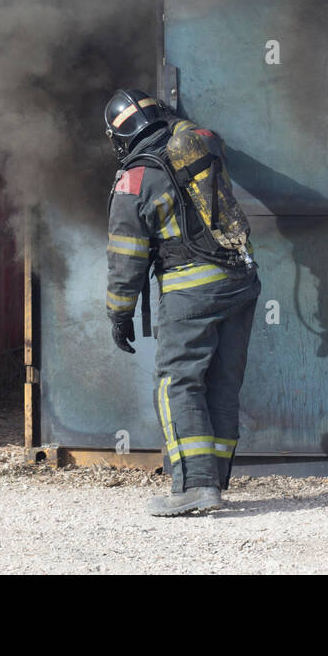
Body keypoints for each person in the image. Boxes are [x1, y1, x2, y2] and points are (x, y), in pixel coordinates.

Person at [104, 88, 261, 516]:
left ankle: (194, 486)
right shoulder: (198, 146)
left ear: (120, 137)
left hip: (191, 290)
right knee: (222, 384)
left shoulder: (135, 177)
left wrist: (119, 313)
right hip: (241, 280)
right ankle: (215, 480)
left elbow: (127, 257)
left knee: (179, 383)